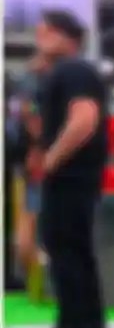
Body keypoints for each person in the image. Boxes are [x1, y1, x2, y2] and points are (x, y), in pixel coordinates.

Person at [30, 10, 109, 328]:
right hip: (74, 174)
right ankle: (87, 324)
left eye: (47, 31)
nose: (40, 36)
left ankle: (74, 325)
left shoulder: (74, 70)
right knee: (73, 246)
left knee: (64, 244)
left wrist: (51, 159)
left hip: (71, 174)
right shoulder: (64, 73)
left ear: (67, 38)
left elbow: (84, 120)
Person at [13, 54, 50, 274]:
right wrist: (39, 146)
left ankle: (31, 273)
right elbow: (31, 114)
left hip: (30, 154)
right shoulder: (33, 88)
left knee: (31, 211)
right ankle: (33, 273)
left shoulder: (26, 86)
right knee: (33, 213)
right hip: (36, 154)